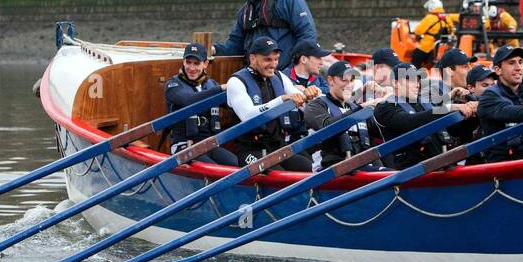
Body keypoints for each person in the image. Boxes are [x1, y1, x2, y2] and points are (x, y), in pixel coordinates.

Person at [224, 36, 319, 171]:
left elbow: (301, 101)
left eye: (276, 59)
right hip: (251, 149)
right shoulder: (236, 81)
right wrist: (281, 100)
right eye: (267, 59)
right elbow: (248, 116)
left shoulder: (279, 76)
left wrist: (310, 96)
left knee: (310, 168)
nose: (273, 64)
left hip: (277, 146)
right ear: (253, 59)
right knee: (278, 174)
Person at [372, 62, 477, 170]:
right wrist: (450, 107)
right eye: (411, 80)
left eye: (417, 80)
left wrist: (473, 113)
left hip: (442, 165)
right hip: (412, 173)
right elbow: (409, 122)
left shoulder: (423, 102)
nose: (417, 84)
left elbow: (453, 130)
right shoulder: (385, 107)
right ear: (395, 83)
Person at [215, 0, 316, 70]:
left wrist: (293, 70)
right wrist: (214, 49)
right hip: (255, 74)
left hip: (283, 73)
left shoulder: (290, 0)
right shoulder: (245, 11)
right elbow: (235, 44)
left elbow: (307, 36)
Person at [162, 43, 239, 165]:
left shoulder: (211, 84)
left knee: (234, 163)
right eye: (188, 62)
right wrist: (220, 89)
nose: (192, 68)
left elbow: (233, 105)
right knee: (211, 169)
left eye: (196, 63)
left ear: (205, 64)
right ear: (183, 62)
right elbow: (188, 100)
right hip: (184, 146)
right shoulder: (173, 85)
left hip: (209, 145)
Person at [302, 61, 382, 171]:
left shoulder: (354, 107)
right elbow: (328, 127)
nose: (349, 85)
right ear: (331, 80)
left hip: (360, 166)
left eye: (352, 80)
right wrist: (362, 109)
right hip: (329, 169)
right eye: (344, 80)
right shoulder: (316, 105)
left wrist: (386, 103)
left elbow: (379, 129)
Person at [477, 46, 523, 163]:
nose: (518, 67)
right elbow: (506, 111)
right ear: (498, 70)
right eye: (512, 63)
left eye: (520, 62)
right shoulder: (488, 97)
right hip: (505, 168)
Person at [411, 0, 458, 68]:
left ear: (431, 7)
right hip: (444, 46)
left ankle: (412, 75)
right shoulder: (447, 17)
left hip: (429, 47)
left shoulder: (429, 18)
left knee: (416, 56)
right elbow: (452, 30)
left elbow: (418, 31)